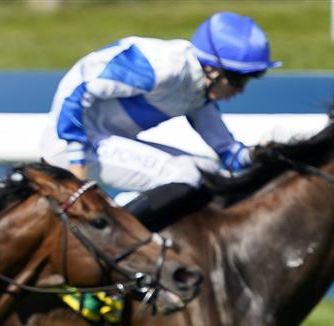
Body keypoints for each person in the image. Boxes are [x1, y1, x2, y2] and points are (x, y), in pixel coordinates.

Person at [39, 12, 281, 229]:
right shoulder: (164, 68)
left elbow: (229, 153)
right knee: (184, 175)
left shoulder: (200, 94)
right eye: (238, 79)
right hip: (72, 144)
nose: (241, 90)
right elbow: (78, 88)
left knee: (207, 171)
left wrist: (260, 155)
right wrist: (76, 159)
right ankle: (110, 235)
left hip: (101, 140)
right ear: (212, 69)